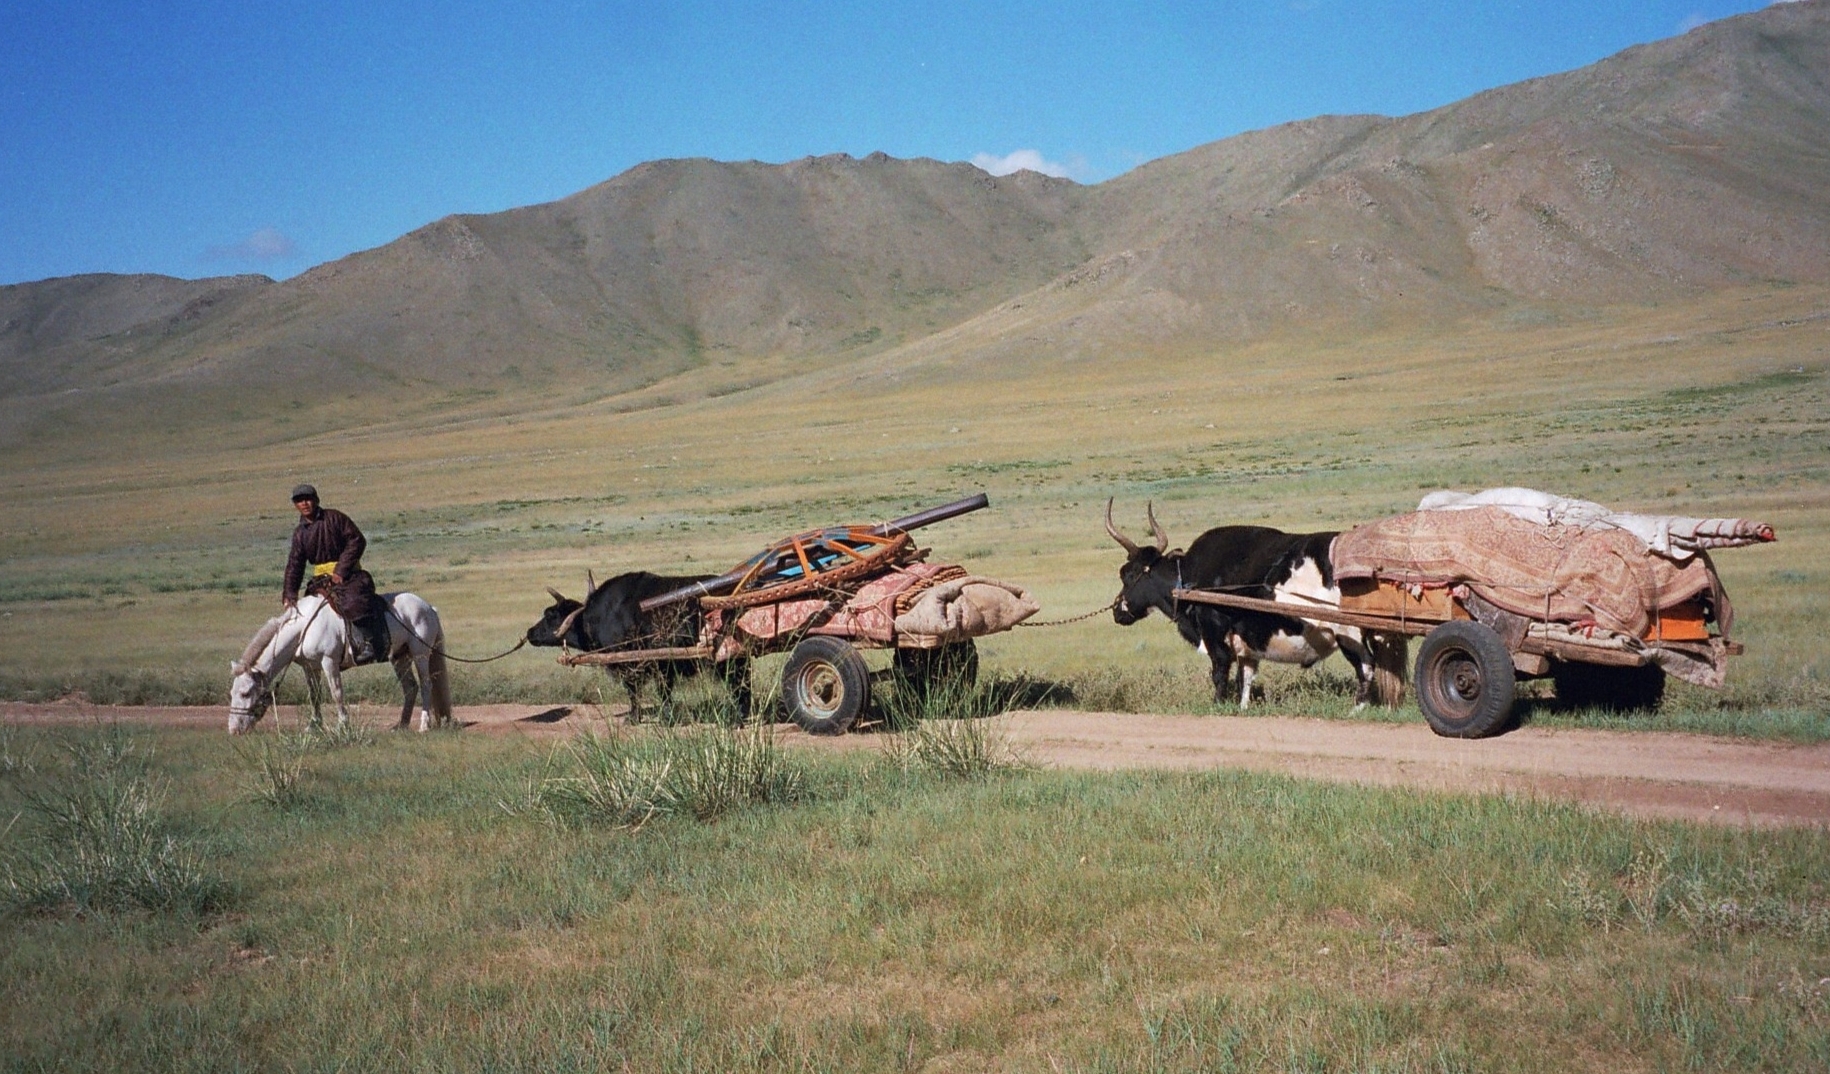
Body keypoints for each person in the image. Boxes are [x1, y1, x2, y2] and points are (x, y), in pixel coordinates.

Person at [281, 484, 386, 664]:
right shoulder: (300, 533)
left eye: (308, 499)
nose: (304, 503)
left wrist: (341, 569)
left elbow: (357, 540)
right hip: (321, 581)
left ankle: (369, 643)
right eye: (299, 501)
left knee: (354, 601)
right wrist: (289, 594)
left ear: (316, 500)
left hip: (349, 575)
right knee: (309, 613)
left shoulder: (335, 517)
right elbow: (295, 564)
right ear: (295, 505)